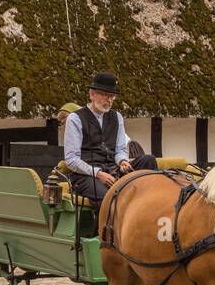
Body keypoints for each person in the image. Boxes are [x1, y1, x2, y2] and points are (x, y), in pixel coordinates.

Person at [63, 72, 159, 202]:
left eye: (112, 96)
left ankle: (147, 205)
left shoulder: (116, 117)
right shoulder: (75, 118)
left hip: (113, 170)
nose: (108, 100)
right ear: (92, 94)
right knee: (109, 196)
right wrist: (98, 173)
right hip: (86, 176)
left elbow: (120, 150)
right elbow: (71, 159)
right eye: (104, 95)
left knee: (148, 160)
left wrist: (122, 161)